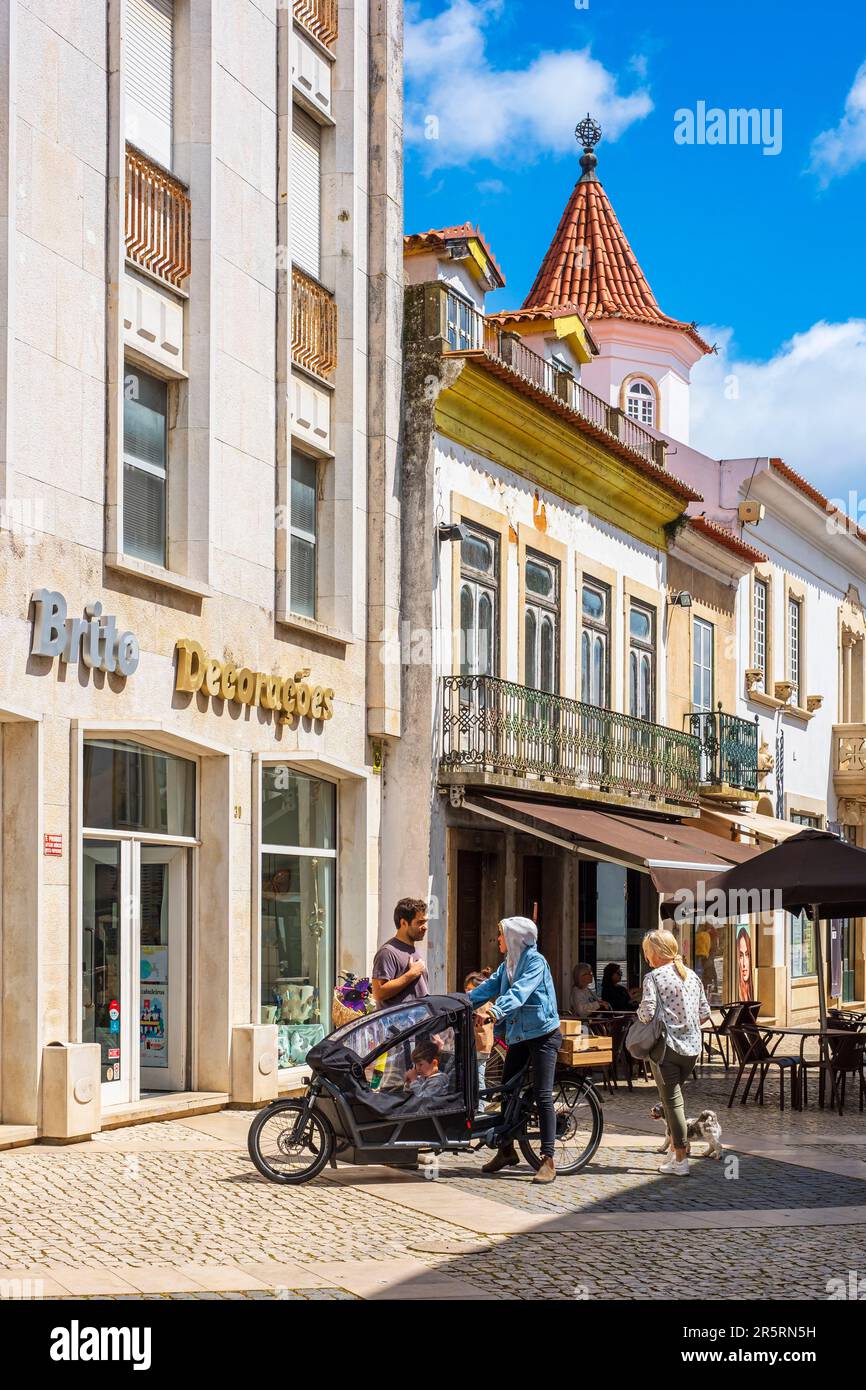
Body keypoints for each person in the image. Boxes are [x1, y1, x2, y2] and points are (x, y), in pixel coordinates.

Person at [469, 917, 562, 1184]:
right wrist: (459, 1001)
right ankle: (507, 1151)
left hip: (543, 1035)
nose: (497, 940)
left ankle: (548, 1159)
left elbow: (520, 993)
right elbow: (486, 988)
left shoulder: (535, 962)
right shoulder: (507, 964)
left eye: (500, 935)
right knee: (507, 1091)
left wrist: (494, 1013)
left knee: (543, 1095)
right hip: (519, 1034)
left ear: (514, 938)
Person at [638, 928, 711, 1177]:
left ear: (656, 953)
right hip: (691, 1049)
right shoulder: (692, 976)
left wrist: (640, 1015)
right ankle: (673, 1154)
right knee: (672, 1102)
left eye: (647, 952)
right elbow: (704, 1014)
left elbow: (647, 1012)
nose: (646, 957)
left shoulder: (654, 977)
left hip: (667, 1047)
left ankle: (681, 1158)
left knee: (673, 1104)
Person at [371, 898, 430, 1007]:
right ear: (403, 923)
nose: (425, 927)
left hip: (420, 1022)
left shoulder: (415, 951)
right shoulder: (387, 952)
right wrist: (412, 974)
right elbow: (378, 993)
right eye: (420, 922)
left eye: (425, 922)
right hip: (398, 1023)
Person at [736, 926, 753, 1002]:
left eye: (747, 955)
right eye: (740, 956)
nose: (744, 964)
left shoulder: (753, 991)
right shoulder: (734, 993)